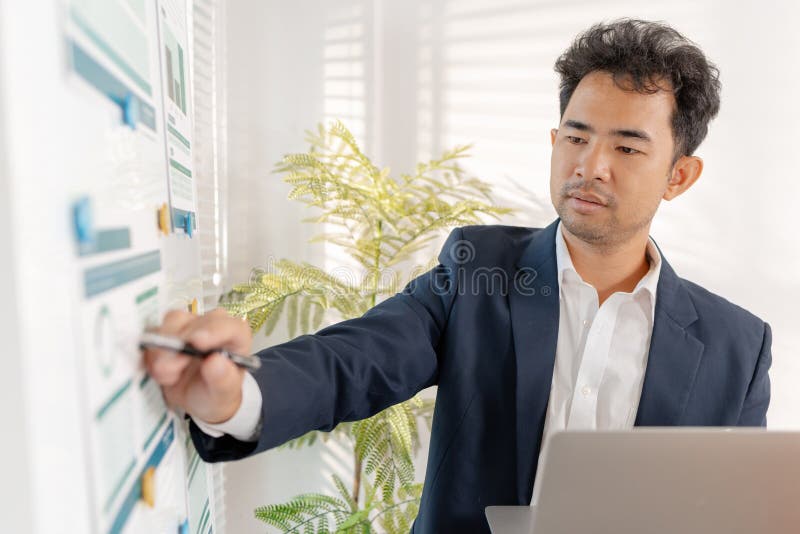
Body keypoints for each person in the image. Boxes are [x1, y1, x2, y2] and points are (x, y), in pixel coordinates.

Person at [143, 19, 772, 533]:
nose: (592, 165)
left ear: (679, 175)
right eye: (576, 137)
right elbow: (355, 362)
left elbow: (736, 513)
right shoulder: (478, 273)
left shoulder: (736, 348)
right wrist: (233, 395)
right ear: (555, 140)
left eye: (628, 148)